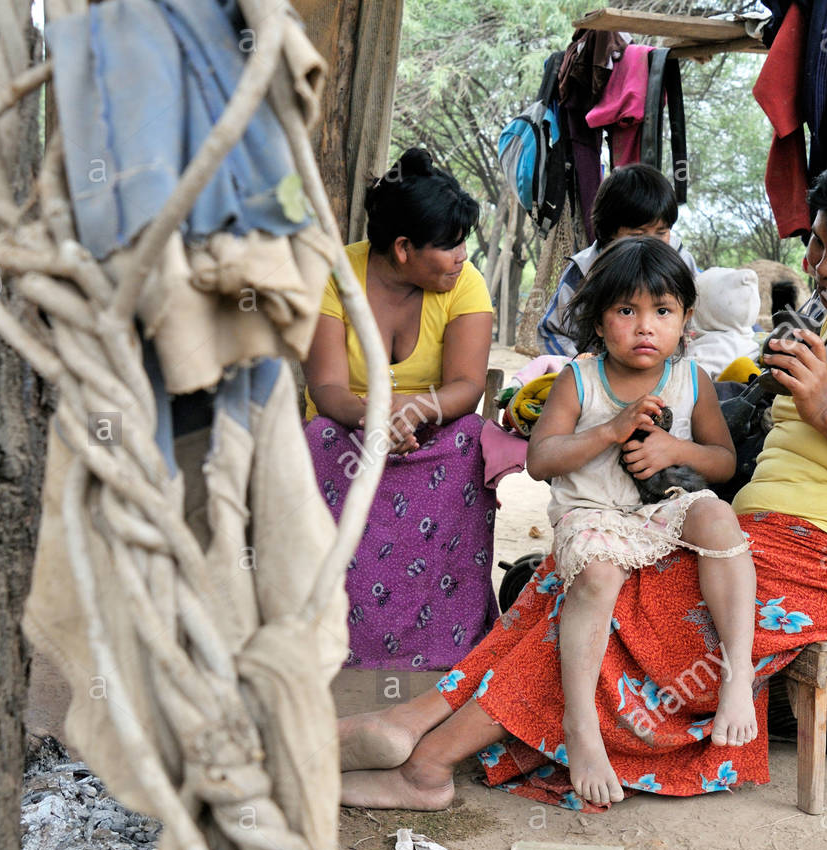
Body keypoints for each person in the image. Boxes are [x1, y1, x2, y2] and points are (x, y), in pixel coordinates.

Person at [337, 128, 827, 812]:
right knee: (569, 573)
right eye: (819, 245)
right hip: (768, 537)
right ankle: (413, 721)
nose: (822, 268)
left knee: (625, 599)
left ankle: (428, 762)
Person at [522, 238, 756, 807]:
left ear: (685, 321)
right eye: (627, 311)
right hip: (593, 514)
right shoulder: (579, 378)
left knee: (720, 518)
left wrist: (676, 449)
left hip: (661, 508)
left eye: (663, 311)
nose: (645, 326)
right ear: (600, 323)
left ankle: (737, 678)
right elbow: (539, 460)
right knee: (598, 576)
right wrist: (608, 430)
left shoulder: (692, 380)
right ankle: (581, 725)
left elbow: (722, 462)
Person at [303, 149, 498, 671]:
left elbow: (466, 386)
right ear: (404, 248)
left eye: (464, 243)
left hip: (428, 437)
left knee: (470, 439)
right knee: (318, 438)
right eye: (450, 245)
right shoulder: (337, 274)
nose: (461, 256)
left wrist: (416, 411)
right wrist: (376, 418)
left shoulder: (466, 283)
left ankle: (444, 644)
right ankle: (325, 636)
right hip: (350, 429)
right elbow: (326, 388)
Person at [536, 164, 699, 357]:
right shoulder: (585, 270)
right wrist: (578, 366)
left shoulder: (681, 262)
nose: (650, 244)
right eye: (638, 235)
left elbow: (704, 324)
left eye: (661, 233)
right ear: (609, 233)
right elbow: (551, 332)